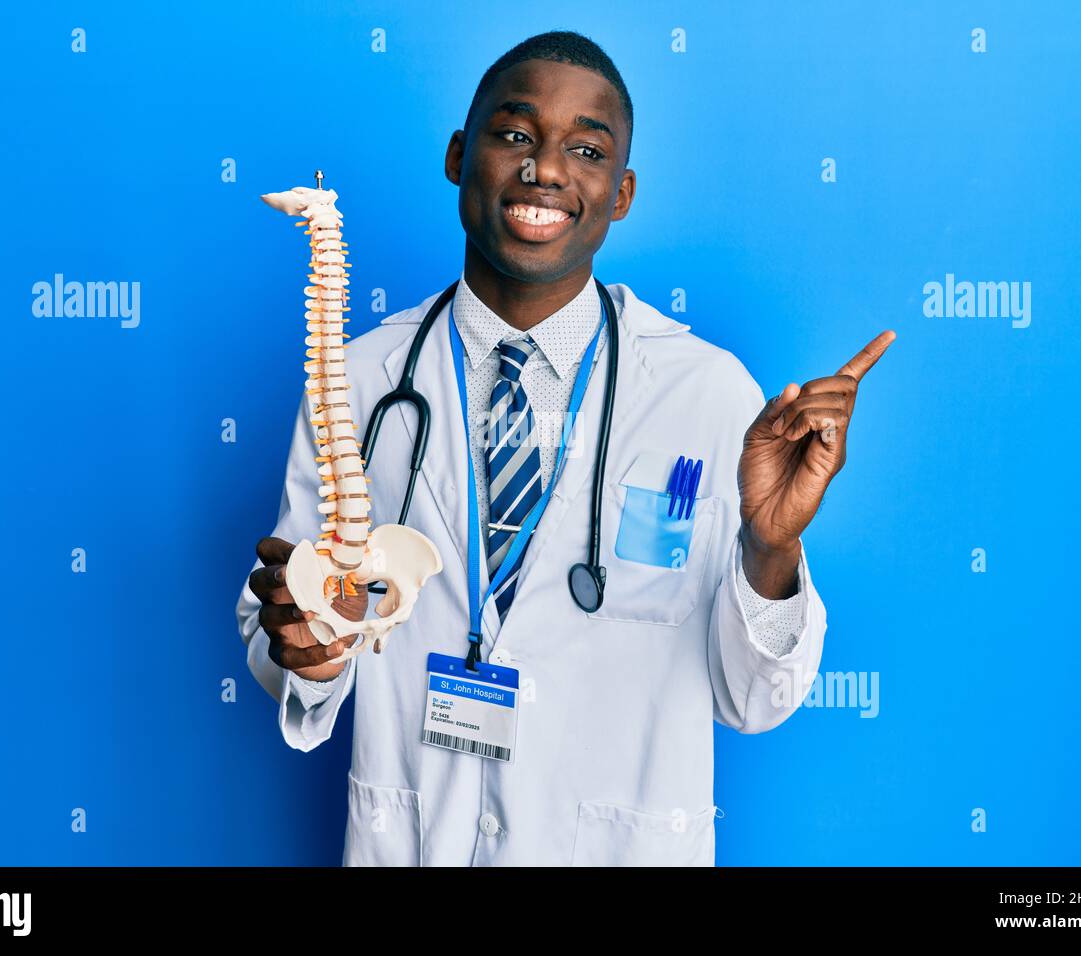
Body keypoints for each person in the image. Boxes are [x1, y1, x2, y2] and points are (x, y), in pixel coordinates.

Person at [236, 30, 893, 866]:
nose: (545, 169)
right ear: (456, 155)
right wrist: (308, 649)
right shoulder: (358, 380)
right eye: (514, 134)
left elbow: (751, 699)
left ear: (620, 194)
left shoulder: (709, 395)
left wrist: (771, 545)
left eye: (585, 150)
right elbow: (287, 642)